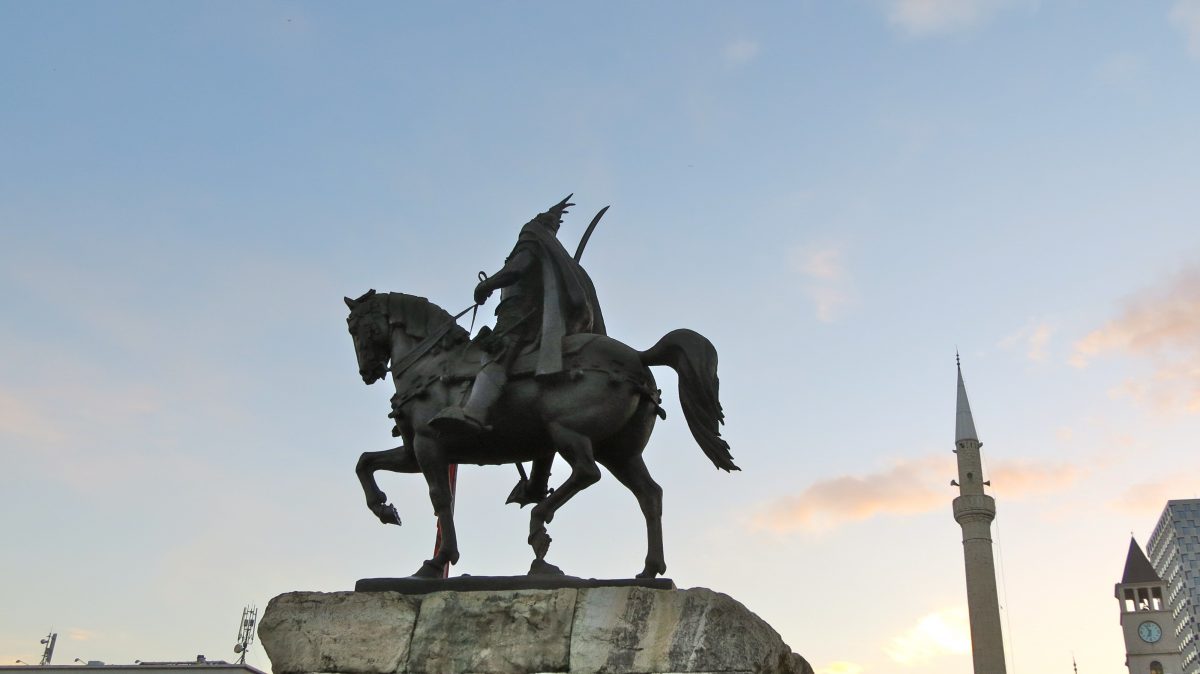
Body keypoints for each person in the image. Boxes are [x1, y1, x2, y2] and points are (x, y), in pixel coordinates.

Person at [429, 195, 606, 438]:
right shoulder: (547, 249)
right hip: (518, 313)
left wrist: (486, 286)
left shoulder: (532, 240)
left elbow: (515, 271)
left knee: (498, 353)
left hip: (520, 315)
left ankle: (475, 411)